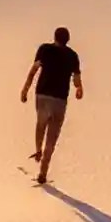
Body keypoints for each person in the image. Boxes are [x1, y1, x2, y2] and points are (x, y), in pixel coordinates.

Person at [20, 27, 83, 184]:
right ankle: (43, 171)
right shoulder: (72, 56)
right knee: (52, 137)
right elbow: (76, 79)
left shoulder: (45, 49)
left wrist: (25, 89)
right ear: (68, 39)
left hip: (42, 95)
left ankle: (38, 150)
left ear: (54, 37)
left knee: (40, 125)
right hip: (60, 100)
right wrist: (79, 89)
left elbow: (33, 70)